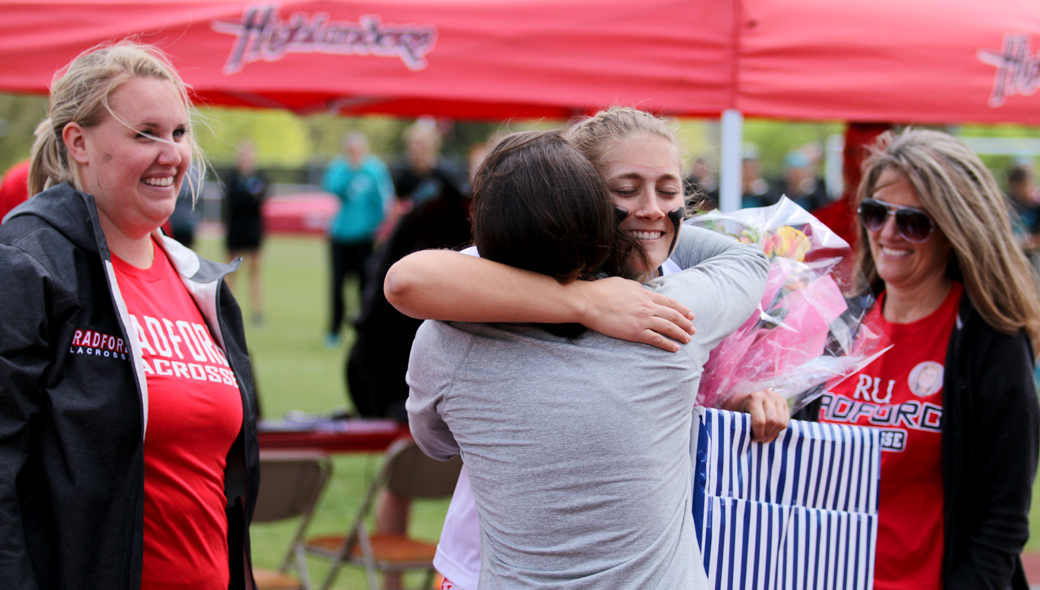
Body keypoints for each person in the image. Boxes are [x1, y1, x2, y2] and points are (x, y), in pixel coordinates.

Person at [387, 107, 787, 590]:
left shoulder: (452, 331)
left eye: (669, 189)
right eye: (624, 190)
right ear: (578, 196)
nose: (653, 207)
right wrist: (584, 301)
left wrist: (733, 395)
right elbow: (410, 281)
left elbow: (437, 441)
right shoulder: (674, 317)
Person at [0, 41, 260, 589]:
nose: (171, 153)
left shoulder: (200, 283)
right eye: (145, 134)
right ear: (79, 143)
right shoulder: (28, 266)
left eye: (178, 133)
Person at [805, 128, 1040, 590]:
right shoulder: (841, 327)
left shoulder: (989, 342)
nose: (888, 233)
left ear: (954, 229)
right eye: (875, 214)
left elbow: (1002, 521)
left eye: (913, 221)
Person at [321, 131, 394, 347]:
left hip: (364, 239)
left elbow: (383, 201)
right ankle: (334, 330)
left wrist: (375, 226)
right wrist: (351, 173)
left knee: (365, 286)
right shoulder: (339, 168)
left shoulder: (374, 169)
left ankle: (363, 330)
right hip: (340, 237)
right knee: (337, 286)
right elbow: (332, 188)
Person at [223, 140, 267, 325]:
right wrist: (248, 198)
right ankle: (227, 309)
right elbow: (233, 202)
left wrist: (247, 199)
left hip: (253, 231)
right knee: (231, 271)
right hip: (235, 230)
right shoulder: (232, 178)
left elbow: (259, 201)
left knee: (254, 272)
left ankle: (256, 311)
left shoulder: (260, 178)